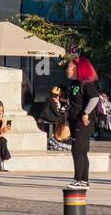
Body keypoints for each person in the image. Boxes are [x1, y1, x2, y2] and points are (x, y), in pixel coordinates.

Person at [63, 58, 101, 188]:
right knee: (82, 151)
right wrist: (67, 120)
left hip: (84, 122)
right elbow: (73, 103)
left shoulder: (86, 84)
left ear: (77, 69)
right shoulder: (73, 84)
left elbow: (95, 98)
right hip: (75, 121)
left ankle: (78, 179)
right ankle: (84, 180)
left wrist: (86, 112)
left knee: (77, 150)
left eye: (69, 66)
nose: (67, 69)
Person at [39, 84, 72, 152]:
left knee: (64, 121)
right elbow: (53, 113)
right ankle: (59, 140)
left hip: (54, 118)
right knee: (63, 122)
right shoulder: (50, 100)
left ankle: (61, 139)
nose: (57, 97)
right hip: (49, 118)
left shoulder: (56, 101)